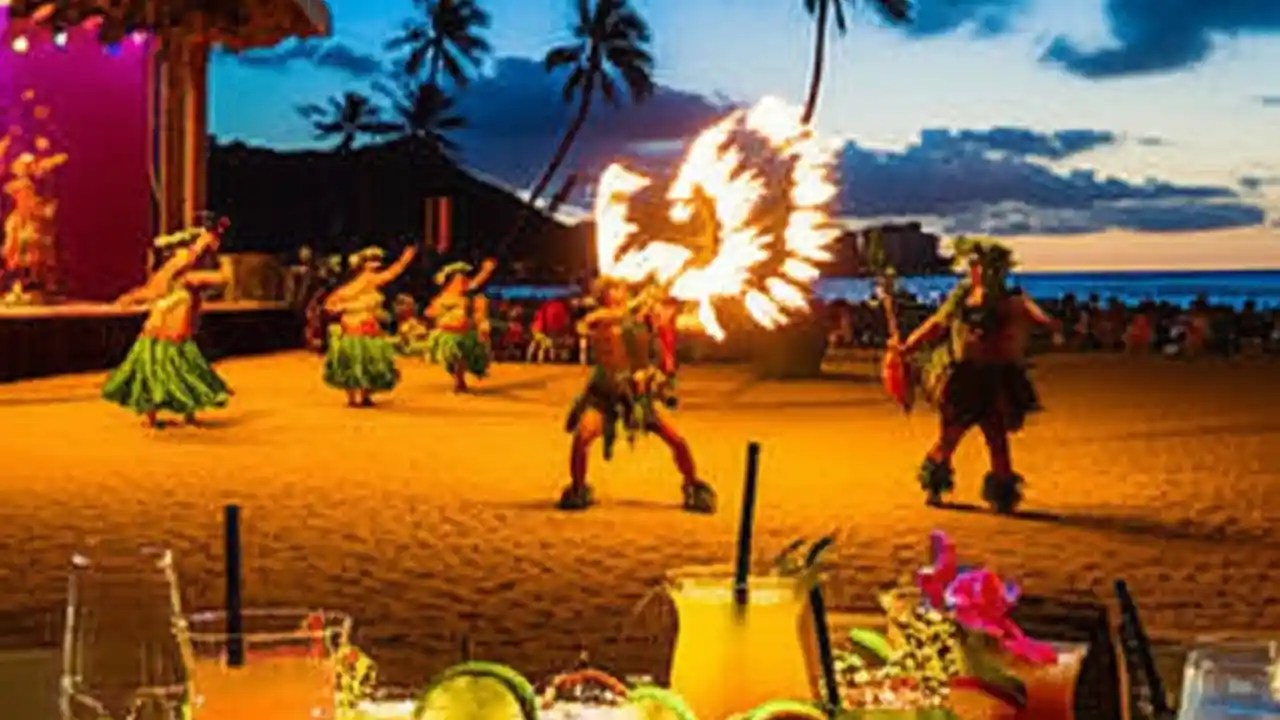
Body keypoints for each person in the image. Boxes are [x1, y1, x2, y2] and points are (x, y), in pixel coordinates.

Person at [890, 237, 1062, 513]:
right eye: (979, 266)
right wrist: (909, 344)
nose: (983, 272)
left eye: (991, 268)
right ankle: (934, 483)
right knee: (950, 437)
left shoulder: (1011, 299)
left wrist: (1048, 323)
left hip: (996, 377)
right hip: (964, 377)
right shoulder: (961, 298)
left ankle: (1003, 496)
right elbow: (937, 323)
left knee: (997, 438)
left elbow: (1032, 312)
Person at [557, 278, 716, 514]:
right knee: (583, 436)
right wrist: (635, 306)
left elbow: (656, 347)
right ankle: (579, 488)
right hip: (603, 393)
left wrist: (650, 373)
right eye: (612, 289)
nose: (617, 293)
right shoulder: (598, 318)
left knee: (676, 439)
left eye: (620, 288)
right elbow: (591, 322)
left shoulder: (639, 321)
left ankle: (693, 485)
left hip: (634, 394)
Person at [102, 219, 232, 429]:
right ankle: (151, 415)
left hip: (177, 337)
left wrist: (206, 242)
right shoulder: (165, 277)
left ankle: (188, 413)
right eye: (177, 253)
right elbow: (149, 291)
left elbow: (220, 276)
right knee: (149, 376)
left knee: (185, 375)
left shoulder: (193, 279)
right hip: (153, 334)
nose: (180, 257)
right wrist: (129, 297)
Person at [322, 244, 417, 406]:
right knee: (357, 361)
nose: (376, 266)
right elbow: (390, 274)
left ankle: (362, 396)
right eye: (372, 262)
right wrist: (404, 260)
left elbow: (330, 305)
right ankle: (357, 396)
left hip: (364, 325)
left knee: (365, 362)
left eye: (377, 262)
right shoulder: (364, 281)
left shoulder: (361, 283)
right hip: (356, 325)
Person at [424, 259, 497, 393]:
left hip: (464, 332)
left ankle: (459, 381)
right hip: (449, 332)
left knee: (461, 359)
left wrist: (486, 271)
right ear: (451, 281)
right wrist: (441, 315)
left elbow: (476, 282)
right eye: (459, 280)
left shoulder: (465, 295)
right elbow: (430, 312)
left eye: (464, 280)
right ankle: (458, 380)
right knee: (452, 359)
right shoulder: (444, 297)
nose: (462, 282)